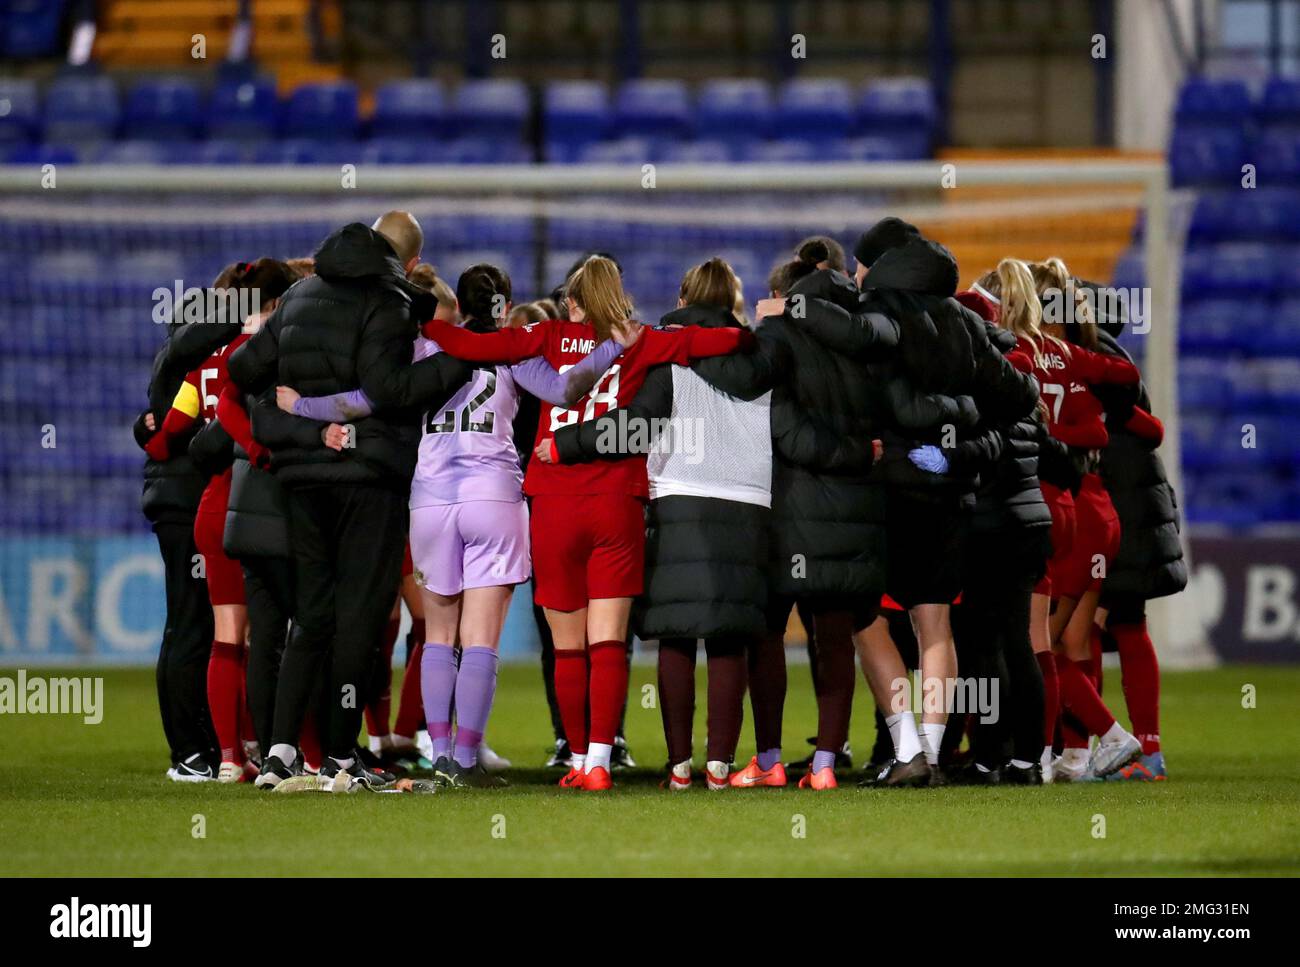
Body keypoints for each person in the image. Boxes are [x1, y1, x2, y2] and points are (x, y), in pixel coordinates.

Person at [281, 263, 620, 787]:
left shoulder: (422, 351)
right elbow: (564, 390)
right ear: (503, 306)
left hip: (432, 501)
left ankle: (438, 752)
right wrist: (613, 347)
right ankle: (465, 761)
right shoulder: (511, 352)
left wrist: (302, 405)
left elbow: (363, 402)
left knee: (437, 636)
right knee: (480, 640)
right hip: (494, 497)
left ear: (459, 308)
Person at [423, 255, 753, 791]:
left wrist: (426, 325)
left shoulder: (546, 333)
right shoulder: (644, 338)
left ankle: (576, 760)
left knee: (567, 646)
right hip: (616, 501)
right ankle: (600, 760)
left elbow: (474, 346)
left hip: (554, 500)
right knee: (608, 641)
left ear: (573, 301)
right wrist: (745, 336)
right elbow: (711, 345)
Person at [229, 212, 475, 791]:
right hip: (369, 477)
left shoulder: (297, 297)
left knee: (310, 616)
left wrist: (296, 417)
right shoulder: (386, 300)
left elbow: (243, 369)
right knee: (359, 621)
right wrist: (462, 360)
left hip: (303, 482)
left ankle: (280, 756)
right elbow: (389, 391)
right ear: (403, 262)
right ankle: (340, 758)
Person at [550, 258, 789, 789]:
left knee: (677, 636)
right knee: (729, 637)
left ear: (683, 298)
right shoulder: (761, 352)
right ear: (734, 302)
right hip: (749, 503)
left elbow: (634, 429)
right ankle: (721, 766)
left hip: (677, 498)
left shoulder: (667, 352)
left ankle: (680, 767)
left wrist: (568, 443)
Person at [992, 257, 1147, 780]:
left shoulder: (1015, 355)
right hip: (1086, 509)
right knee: (1071, 643)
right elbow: (1122, 384)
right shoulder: (1066, 354)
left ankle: (1103, 737)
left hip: (1046, 506)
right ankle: (1076, 754)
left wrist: (1043, 436)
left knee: (1039, 643)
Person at [143, 262, 296, 781]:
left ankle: (226, 754)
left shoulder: (193, 361)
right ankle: (214, 749)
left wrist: (150, 434)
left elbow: (164, 433)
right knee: (223, 631)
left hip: (202, 499)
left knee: (218, 634)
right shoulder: (238, 352)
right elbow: (205, 430)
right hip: (215, 496)